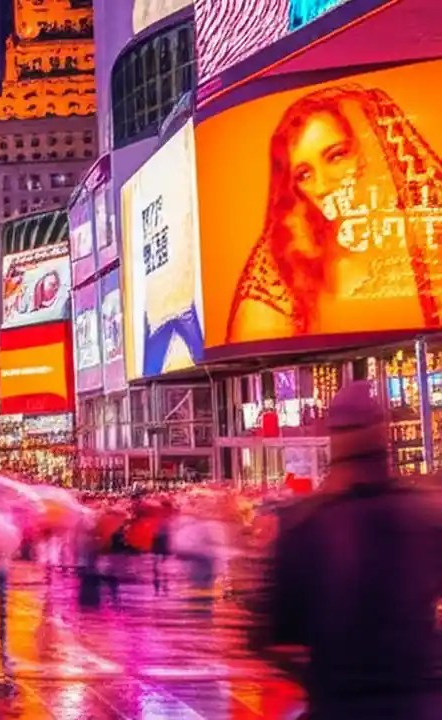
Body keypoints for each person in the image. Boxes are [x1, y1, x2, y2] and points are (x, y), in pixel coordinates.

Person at [268, 381, 442, 718]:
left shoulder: (303, 527)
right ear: (384, 438)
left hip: (340, 703)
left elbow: (280, 642)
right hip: (421, 702)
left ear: (333, 442)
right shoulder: (426, 516)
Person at [227, 86, 442, 343]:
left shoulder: (431, 241)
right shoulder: (282, 282)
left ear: (376, 148)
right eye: (304, 175)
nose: (322, 186)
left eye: (337, 156)